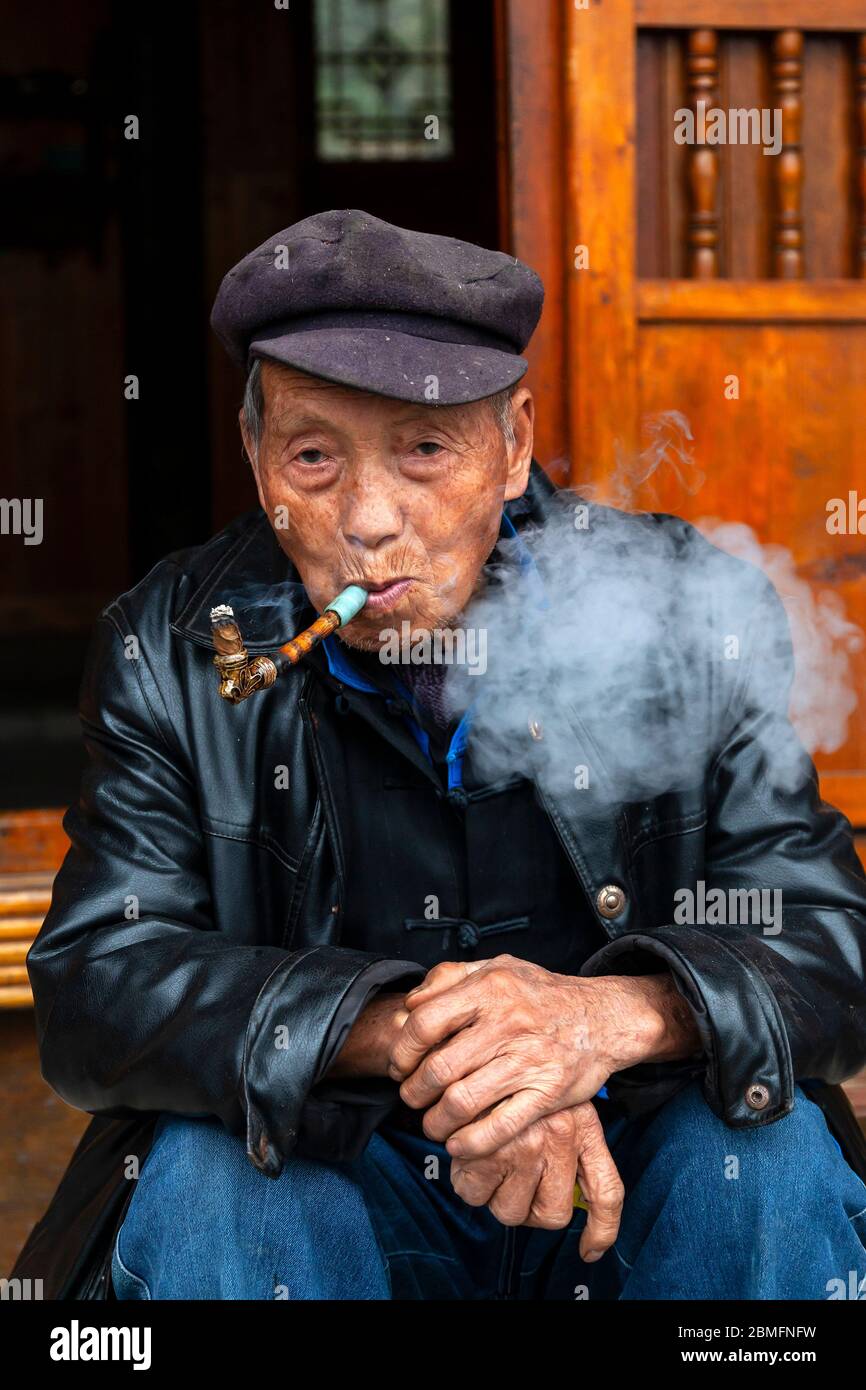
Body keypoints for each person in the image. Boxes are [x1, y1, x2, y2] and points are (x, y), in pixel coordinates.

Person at [14, 209, 866, 1300]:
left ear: (511, 447)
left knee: (762, 1164)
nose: (370, 520)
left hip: (620, 1186)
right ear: (253, 453)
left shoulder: (684, 613)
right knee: (218, 1179)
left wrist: (606, 1019)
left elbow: (832, 946)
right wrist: (414, 1032)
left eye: (423, 449)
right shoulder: (174, 644)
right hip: (344, 1188)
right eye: (314, 455)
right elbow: (98, 985)